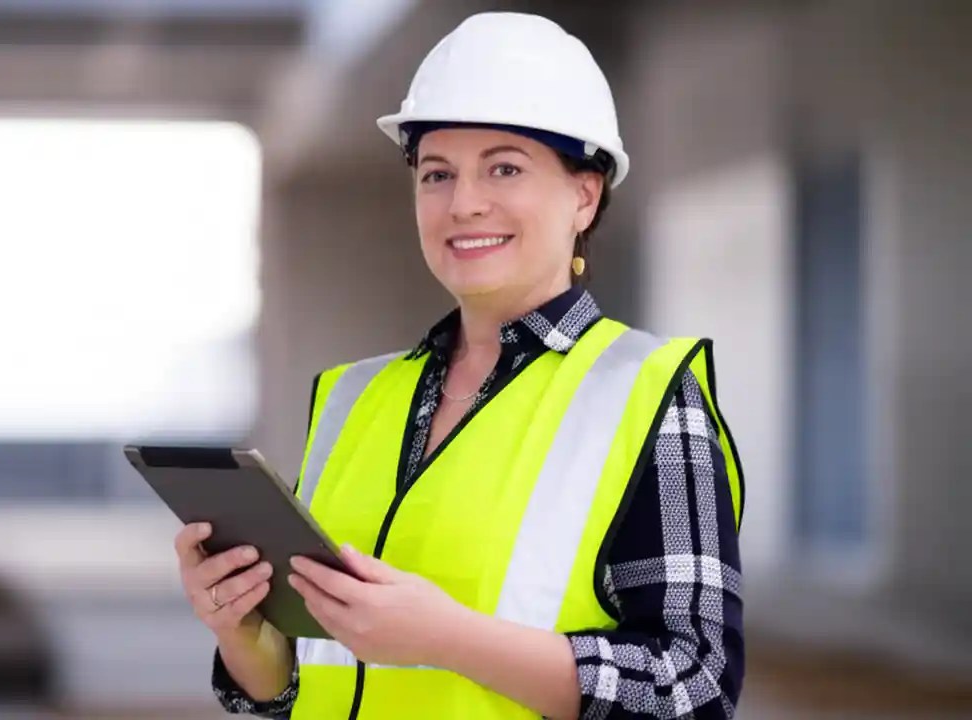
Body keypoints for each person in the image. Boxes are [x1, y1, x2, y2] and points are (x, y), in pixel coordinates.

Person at [173, 11, 744, 720]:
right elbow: (301, 687)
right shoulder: (356, 398)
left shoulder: (644, 393)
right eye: (437, 174)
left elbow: (695, 690)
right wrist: (242, 634)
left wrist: (449, 639)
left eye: (504, 167)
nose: (464, 204)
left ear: (584, 193)